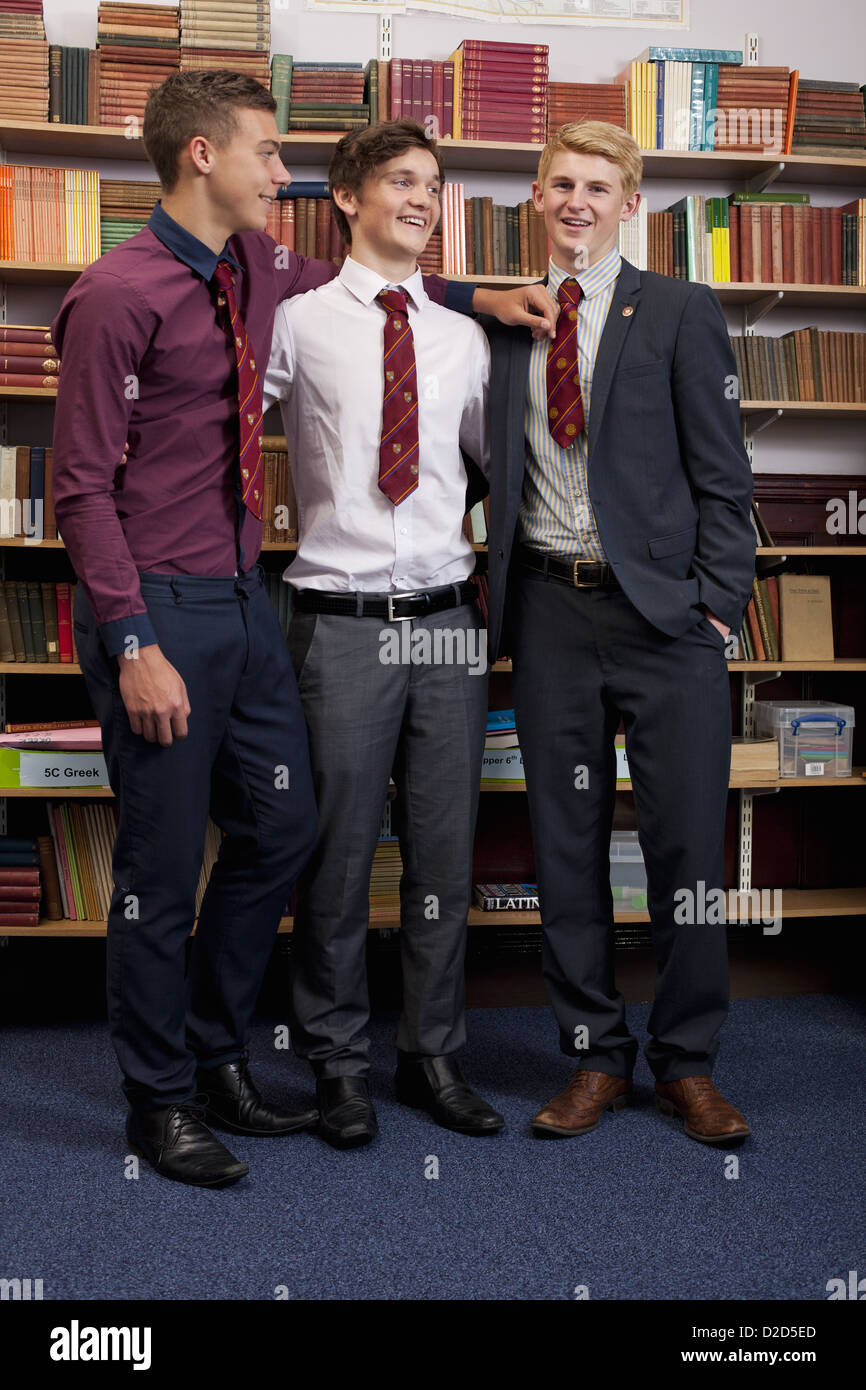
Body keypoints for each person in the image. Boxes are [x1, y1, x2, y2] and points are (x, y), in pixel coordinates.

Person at [51, 71, 555, 1187]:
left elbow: (382, 276)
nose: (278, 172)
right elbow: (77, 487)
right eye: (267, 153)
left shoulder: (256, 268)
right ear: (201, 157)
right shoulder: (117, 293)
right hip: (167, 608)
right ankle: (161, 1098)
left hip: (244, 598)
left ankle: (221, 1052)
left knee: (282, 830)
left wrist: (482, 296)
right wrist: (132, 638)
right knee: (160, 862)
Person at [481, 121, 756, 1146]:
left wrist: (716, 605)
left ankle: (686, 1064)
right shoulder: (506, 317)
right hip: (549, 609)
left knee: (686, 849)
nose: (575, 202)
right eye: (558, 183)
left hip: (667, 621)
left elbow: (724, 475)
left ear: (629, 201)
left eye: (597, 186)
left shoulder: (679, 309)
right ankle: (592, 1054)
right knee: (565, 846)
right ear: (536, 197)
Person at [263, 119, 504, 1148]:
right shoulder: (295, 322)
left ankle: (430, 1052)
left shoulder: (462, 336)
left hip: (447, 622)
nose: (422, 197)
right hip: (342, 623)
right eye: (400, 179)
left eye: (434, 184)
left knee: (443, 853)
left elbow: (486, 472)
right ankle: (335, 1062)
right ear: (347, 198)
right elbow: (218, 431)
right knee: (338, 853)